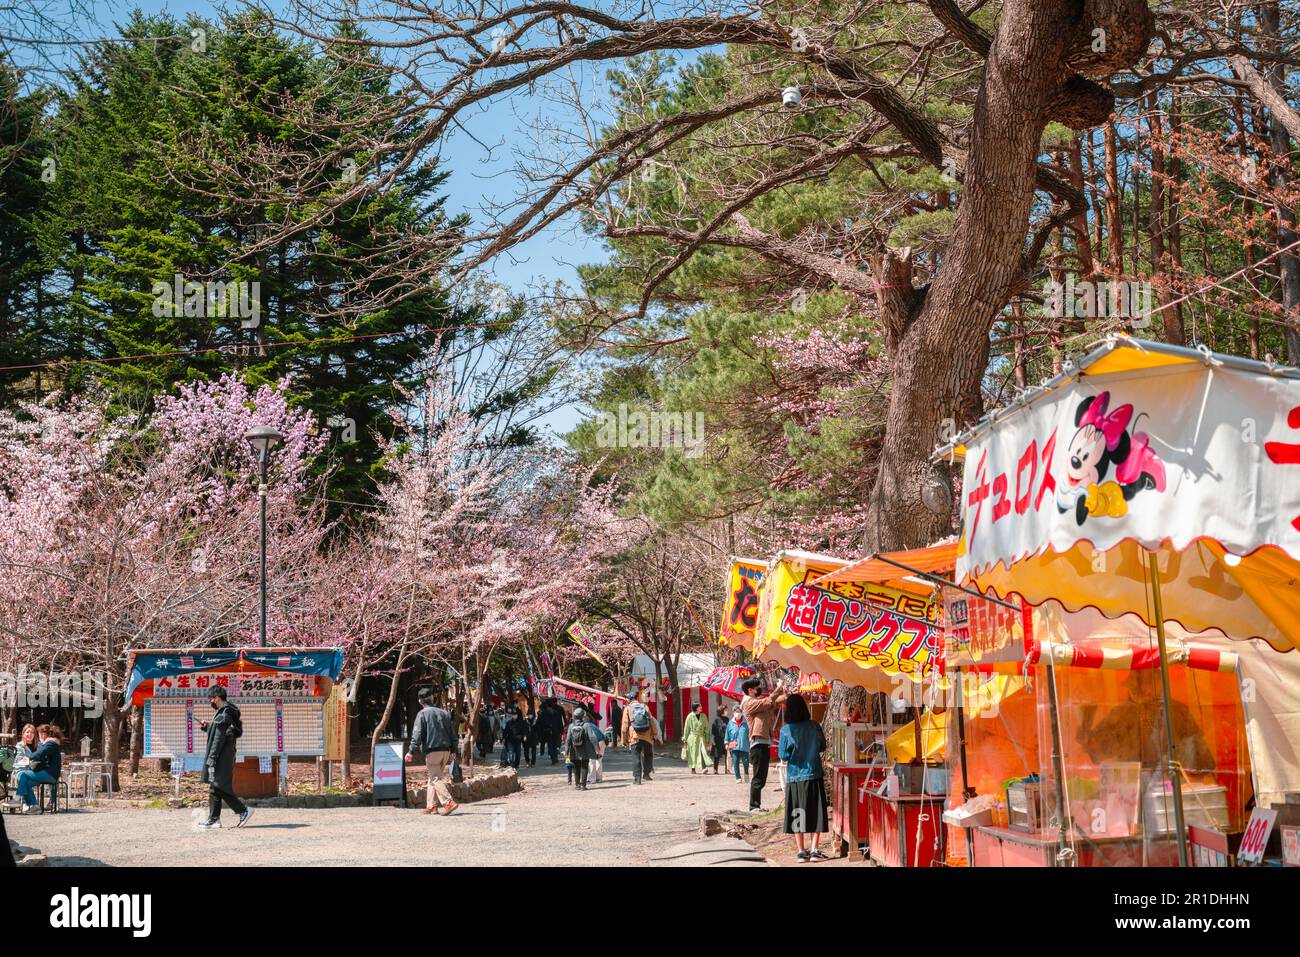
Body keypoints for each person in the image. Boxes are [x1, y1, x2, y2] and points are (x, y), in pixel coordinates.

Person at [778, 693, 829, 862]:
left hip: (794, 777)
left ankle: (801, 851)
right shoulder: (814, 726)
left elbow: (783, 755)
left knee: (797, 811)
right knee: (816, 811)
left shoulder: (786, 730)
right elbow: (822, 746)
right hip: (814, 773)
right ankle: (815, 850)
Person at [196, 688, 251, 829]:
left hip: (222, 756)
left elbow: (219, 739)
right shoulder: (225, 712)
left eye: (211, 698)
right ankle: (214, 819)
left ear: (218, 697)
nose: (211, 701)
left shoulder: (225, 713)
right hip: (224, 755)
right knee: (215, 787)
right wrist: (207, 727)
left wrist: (212, 757)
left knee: (219, 786)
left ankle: (243, 810)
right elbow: (221, 733)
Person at [405, 688, 459, 816]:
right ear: (432, 698)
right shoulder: (444, 713)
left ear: (420, 701)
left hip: (432, 751)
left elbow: (417, 734)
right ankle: (431, 806)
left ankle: (448, 802)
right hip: (446, 751)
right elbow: (452, 733)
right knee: (433, 777)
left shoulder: (422, 714)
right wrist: (454, 750)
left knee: (434, 778)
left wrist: (411, 751)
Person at [741, 678, 787, 811]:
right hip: (757, 744)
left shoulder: (759, 703)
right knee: (758, 778)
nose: (758, 690)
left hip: (764, 743)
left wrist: (787, 694)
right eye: (756, 688)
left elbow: (773, 702)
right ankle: (754, 806)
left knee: (762, 777)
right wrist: (778, 688)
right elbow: (768, 701)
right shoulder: (748, 703)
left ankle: (756, 805)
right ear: (750, 690)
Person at [11, 724, 64, 814]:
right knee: (26, 783)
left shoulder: (50, 743)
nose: (39, 737)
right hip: (45, 773)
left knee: (23, 775)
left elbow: (40, 754)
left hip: (50, 774)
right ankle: (35, 806)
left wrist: (29, 758)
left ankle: (18, 798)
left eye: (38, 734)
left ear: (43, 734)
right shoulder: (48, 743)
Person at [620, 689, 661, 784]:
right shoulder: (645, 707)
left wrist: (624, 740)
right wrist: (655, 735)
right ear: (637, 698)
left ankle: (637, 779)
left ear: (630, 699)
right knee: (648, 755)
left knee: (636, 756)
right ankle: (646, 774)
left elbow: (624, 726)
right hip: (647, 736)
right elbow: (652, 721)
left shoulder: (628, 708)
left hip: (635, 737)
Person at [564, 707, 602, 791]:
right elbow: (592, 737)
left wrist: (566, 751)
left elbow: (568, 739)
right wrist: (597, 749)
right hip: (584, 749)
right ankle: (583, 786)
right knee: (584, 766)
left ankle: (577, 785)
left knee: (576, 767)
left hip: (574, 749)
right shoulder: (586, 725)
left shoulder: (571, 726)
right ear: (582, 716)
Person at [681, 703, 710, 773]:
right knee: (693, 753)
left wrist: (707, 738)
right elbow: (686, 728)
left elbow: (707, 728)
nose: (701, 707)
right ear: (696, 707)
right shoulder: (690, 716)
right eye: (699, 706)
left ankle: (704, 767)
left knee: (703, 752)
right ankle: (693, 768)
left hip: (701, 737)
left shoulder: (703, 716)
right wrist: (685, 739)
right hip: (692, 738)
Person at [725, 709, 751, 782]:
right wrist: (726, 743)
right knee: (735, 762)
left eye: (739, 712)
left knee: (746, 762)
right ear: (733, 713)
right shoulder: (730, 723)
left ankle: (746, 773)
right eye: (736, 712)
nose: (738, 714)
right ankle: (738, 777)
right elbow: (727, 734)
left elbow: (750, 734)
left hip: (744, 745)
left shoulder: (746, 723)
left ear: (742, 713)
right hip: (734, 746)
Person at [710, 706, 730, 774]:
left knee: (727, 755)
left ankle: (727, 769)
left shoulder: (727, 719)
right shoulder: (716, 720)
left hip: (726, 740)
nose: (727, 711)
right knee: (716, 756)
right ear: (721, 711)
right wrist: (713, 739)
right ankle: (715, 769)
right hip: (718, 740)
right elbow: (713, 730)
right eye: (725, 710)